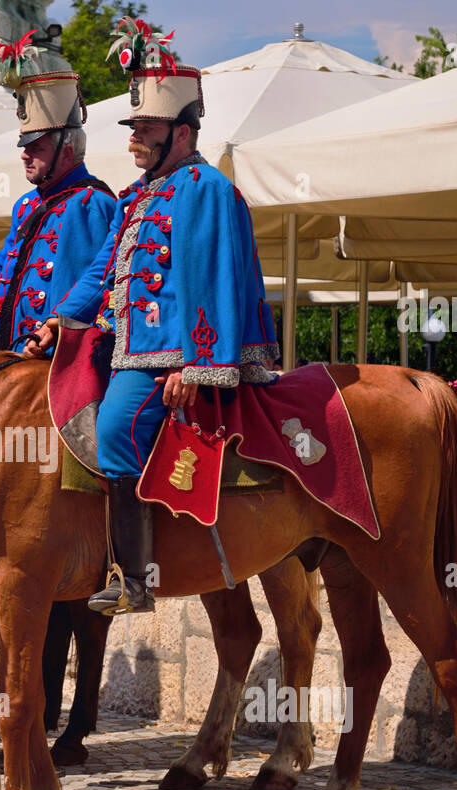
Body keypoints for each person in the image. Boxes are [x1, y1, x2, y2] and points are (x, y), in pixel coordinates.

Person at [30, 28, 279, 615]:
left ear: (182, 132)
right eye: (135, 129)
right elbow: (102, 268)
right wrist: (61, 320)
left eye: (145, 128)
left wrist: (200, 364)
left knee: (115, 429)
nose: (136, 137)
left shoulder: (207, 189)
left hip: (169, 356)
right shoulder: (138, 195)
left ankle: (132, 579)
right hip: (125, 346)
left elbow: (215, 278)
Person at [0, 65, 116, 353]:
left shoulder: (91, 202)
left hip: (52, 354)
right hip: (12, 348)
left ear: (68, 152)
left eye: (37, 147)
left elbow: (85, 284)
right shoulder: (26, 205)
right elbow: (2, 268)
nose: (25, 155)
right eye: (24, 146)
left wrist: (7, 331)